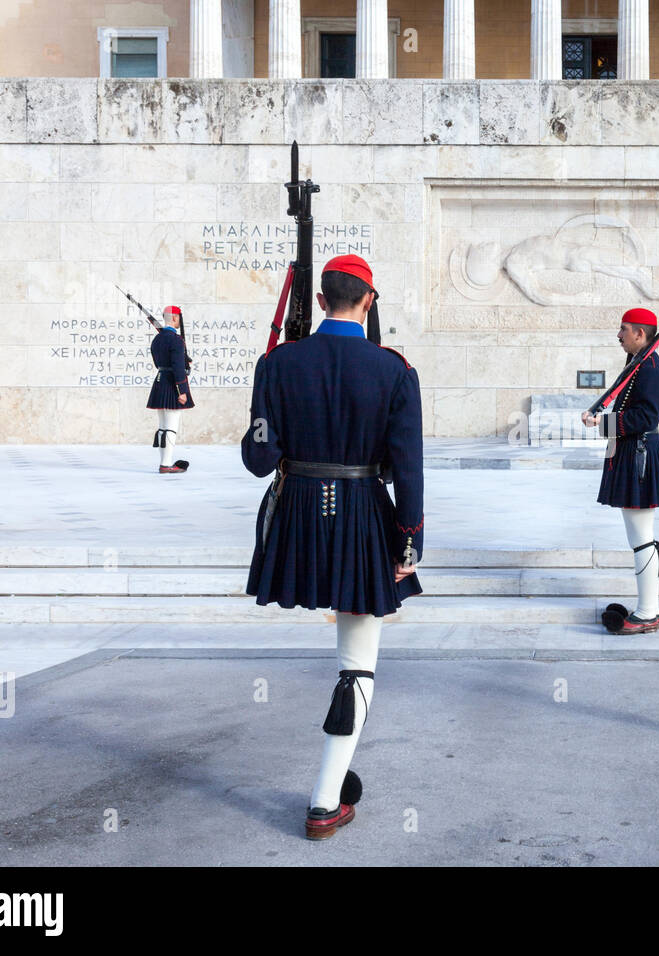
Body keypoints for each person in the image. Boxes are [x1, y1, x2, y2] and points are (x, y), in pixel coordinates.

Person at [241, 254, 424, 840]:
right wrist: (410, 541)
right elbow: (407, 469)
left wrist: (272, 404)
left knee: (353, 661)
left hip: (298, 517)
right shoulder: (393, 370)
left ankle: (331, 789)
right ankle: (325, 800)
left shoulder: (278, 364)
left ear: (321, 301)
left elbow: (258, 457)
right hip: (362, 517)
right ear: (368, 301)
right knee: (358, 664)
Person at [581, 308, 659, 635]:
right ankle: (647, 605)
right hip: (630, 452)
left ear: (640, 333)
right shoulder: (637, 364)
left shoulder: (651, 368)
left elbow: (646, 418)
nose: (618, 334)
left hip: (640, 455)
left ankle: (648, 613)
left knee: (641, 539)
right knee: (639, 537)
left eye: (623, 329)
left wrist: (604, 422)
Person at [146, 305, 193, 473]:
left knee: (162, 426)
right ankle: (166, 464)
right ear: (174, 318)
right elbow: (178, 367)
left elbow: (159, 363)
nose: (179, 321)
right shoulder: (176, 340)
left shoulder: (157, 340)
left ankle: (164, 462)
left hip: (160, 381)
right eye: (178, 317)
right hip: (173, 385)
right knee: (171, 426)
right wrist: (182, 391)